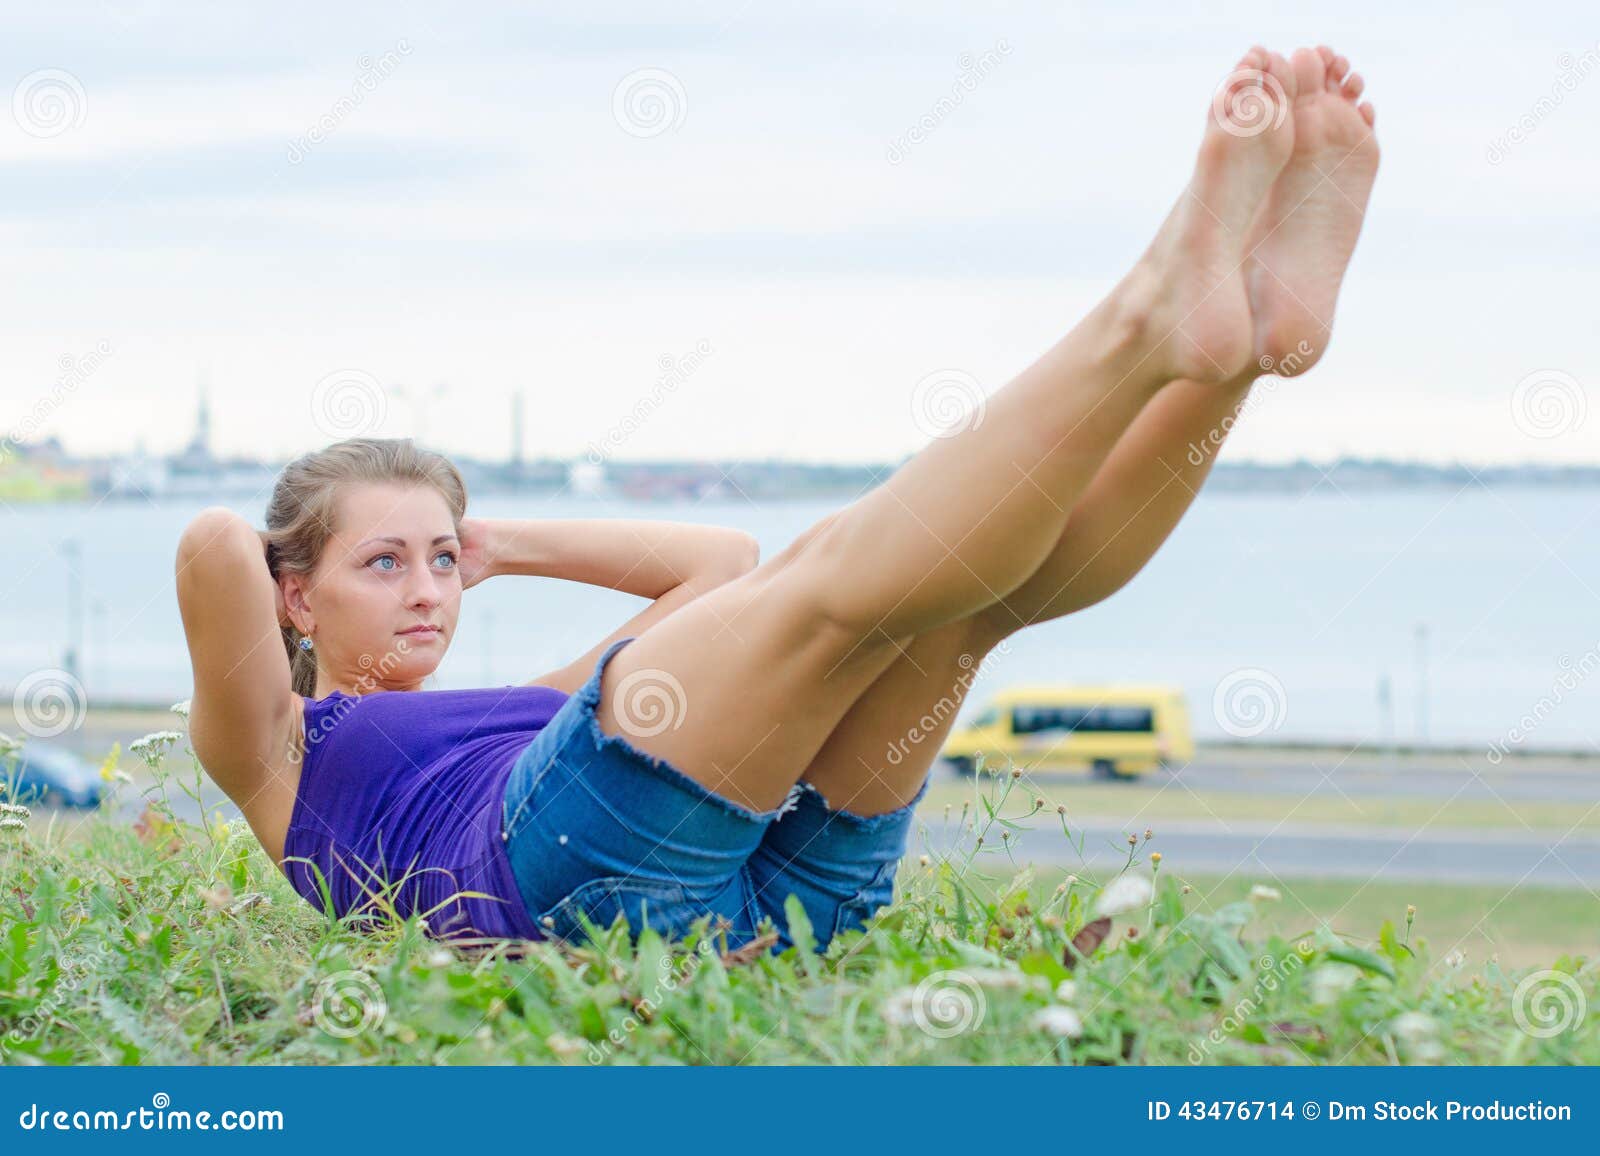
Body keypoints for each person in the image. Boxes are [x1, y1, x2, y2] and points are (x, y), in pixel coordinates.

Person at [175, 45, 1378, 951]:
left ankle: (1228, 361)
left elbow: (717, 563)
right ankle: (1145, 317)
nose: (429, 588)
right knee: (828, 585)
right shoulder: (273, 749)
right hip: (556, 870)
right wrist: (310, 582)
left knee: (956, 612)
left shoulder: (525, 708)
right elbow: (213, 538)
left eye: (440, 560)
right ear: (296, 591)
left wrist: (498, 544)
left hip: (774, 902)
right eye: (385, 565)